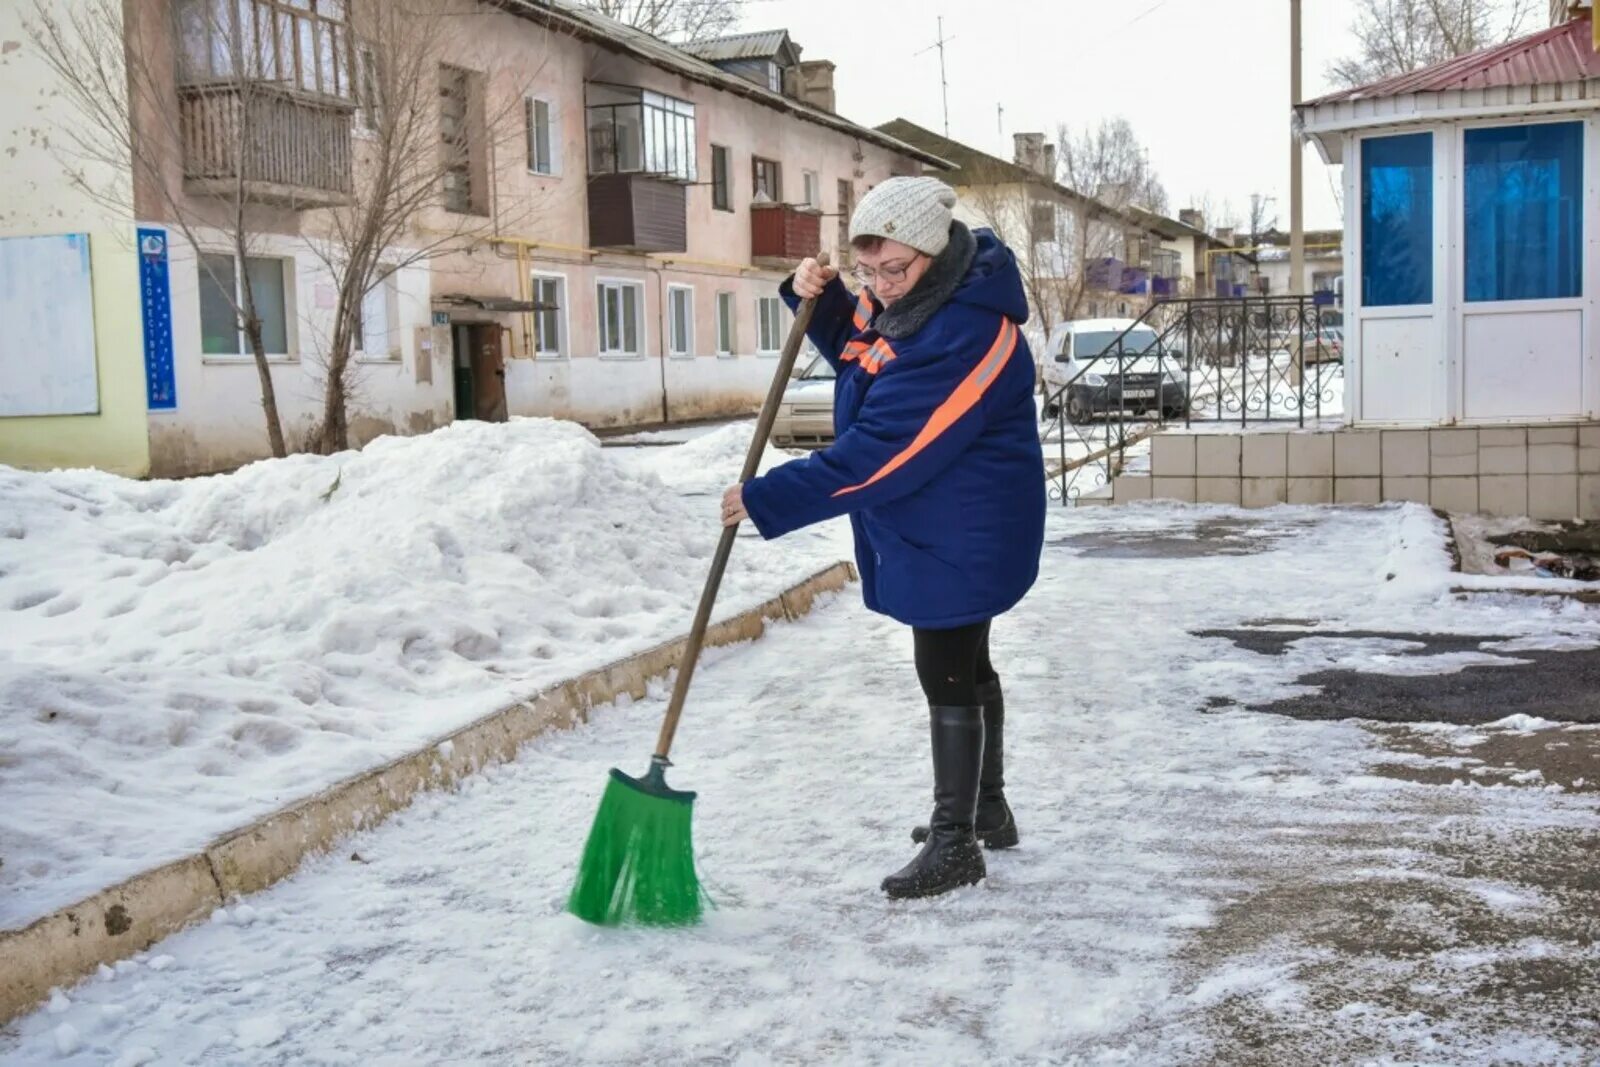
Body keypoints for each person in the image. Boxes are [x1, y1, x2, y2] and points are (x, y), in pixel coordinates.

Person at [720, 176, 1046, 899]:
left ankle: (956, 840)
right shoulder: (918, 301)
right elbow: (865, 356)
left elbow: (880, 454)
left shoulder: (967, 334)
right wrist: (822, 298)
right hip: (948, 521)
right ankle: (985, 808)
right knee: (969, 662)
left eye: (892, 270)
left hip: (966, 531)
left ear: (933, 253)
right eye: (866, 271)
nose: (880, 286)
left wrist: (766, 498)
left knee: (949, 669)